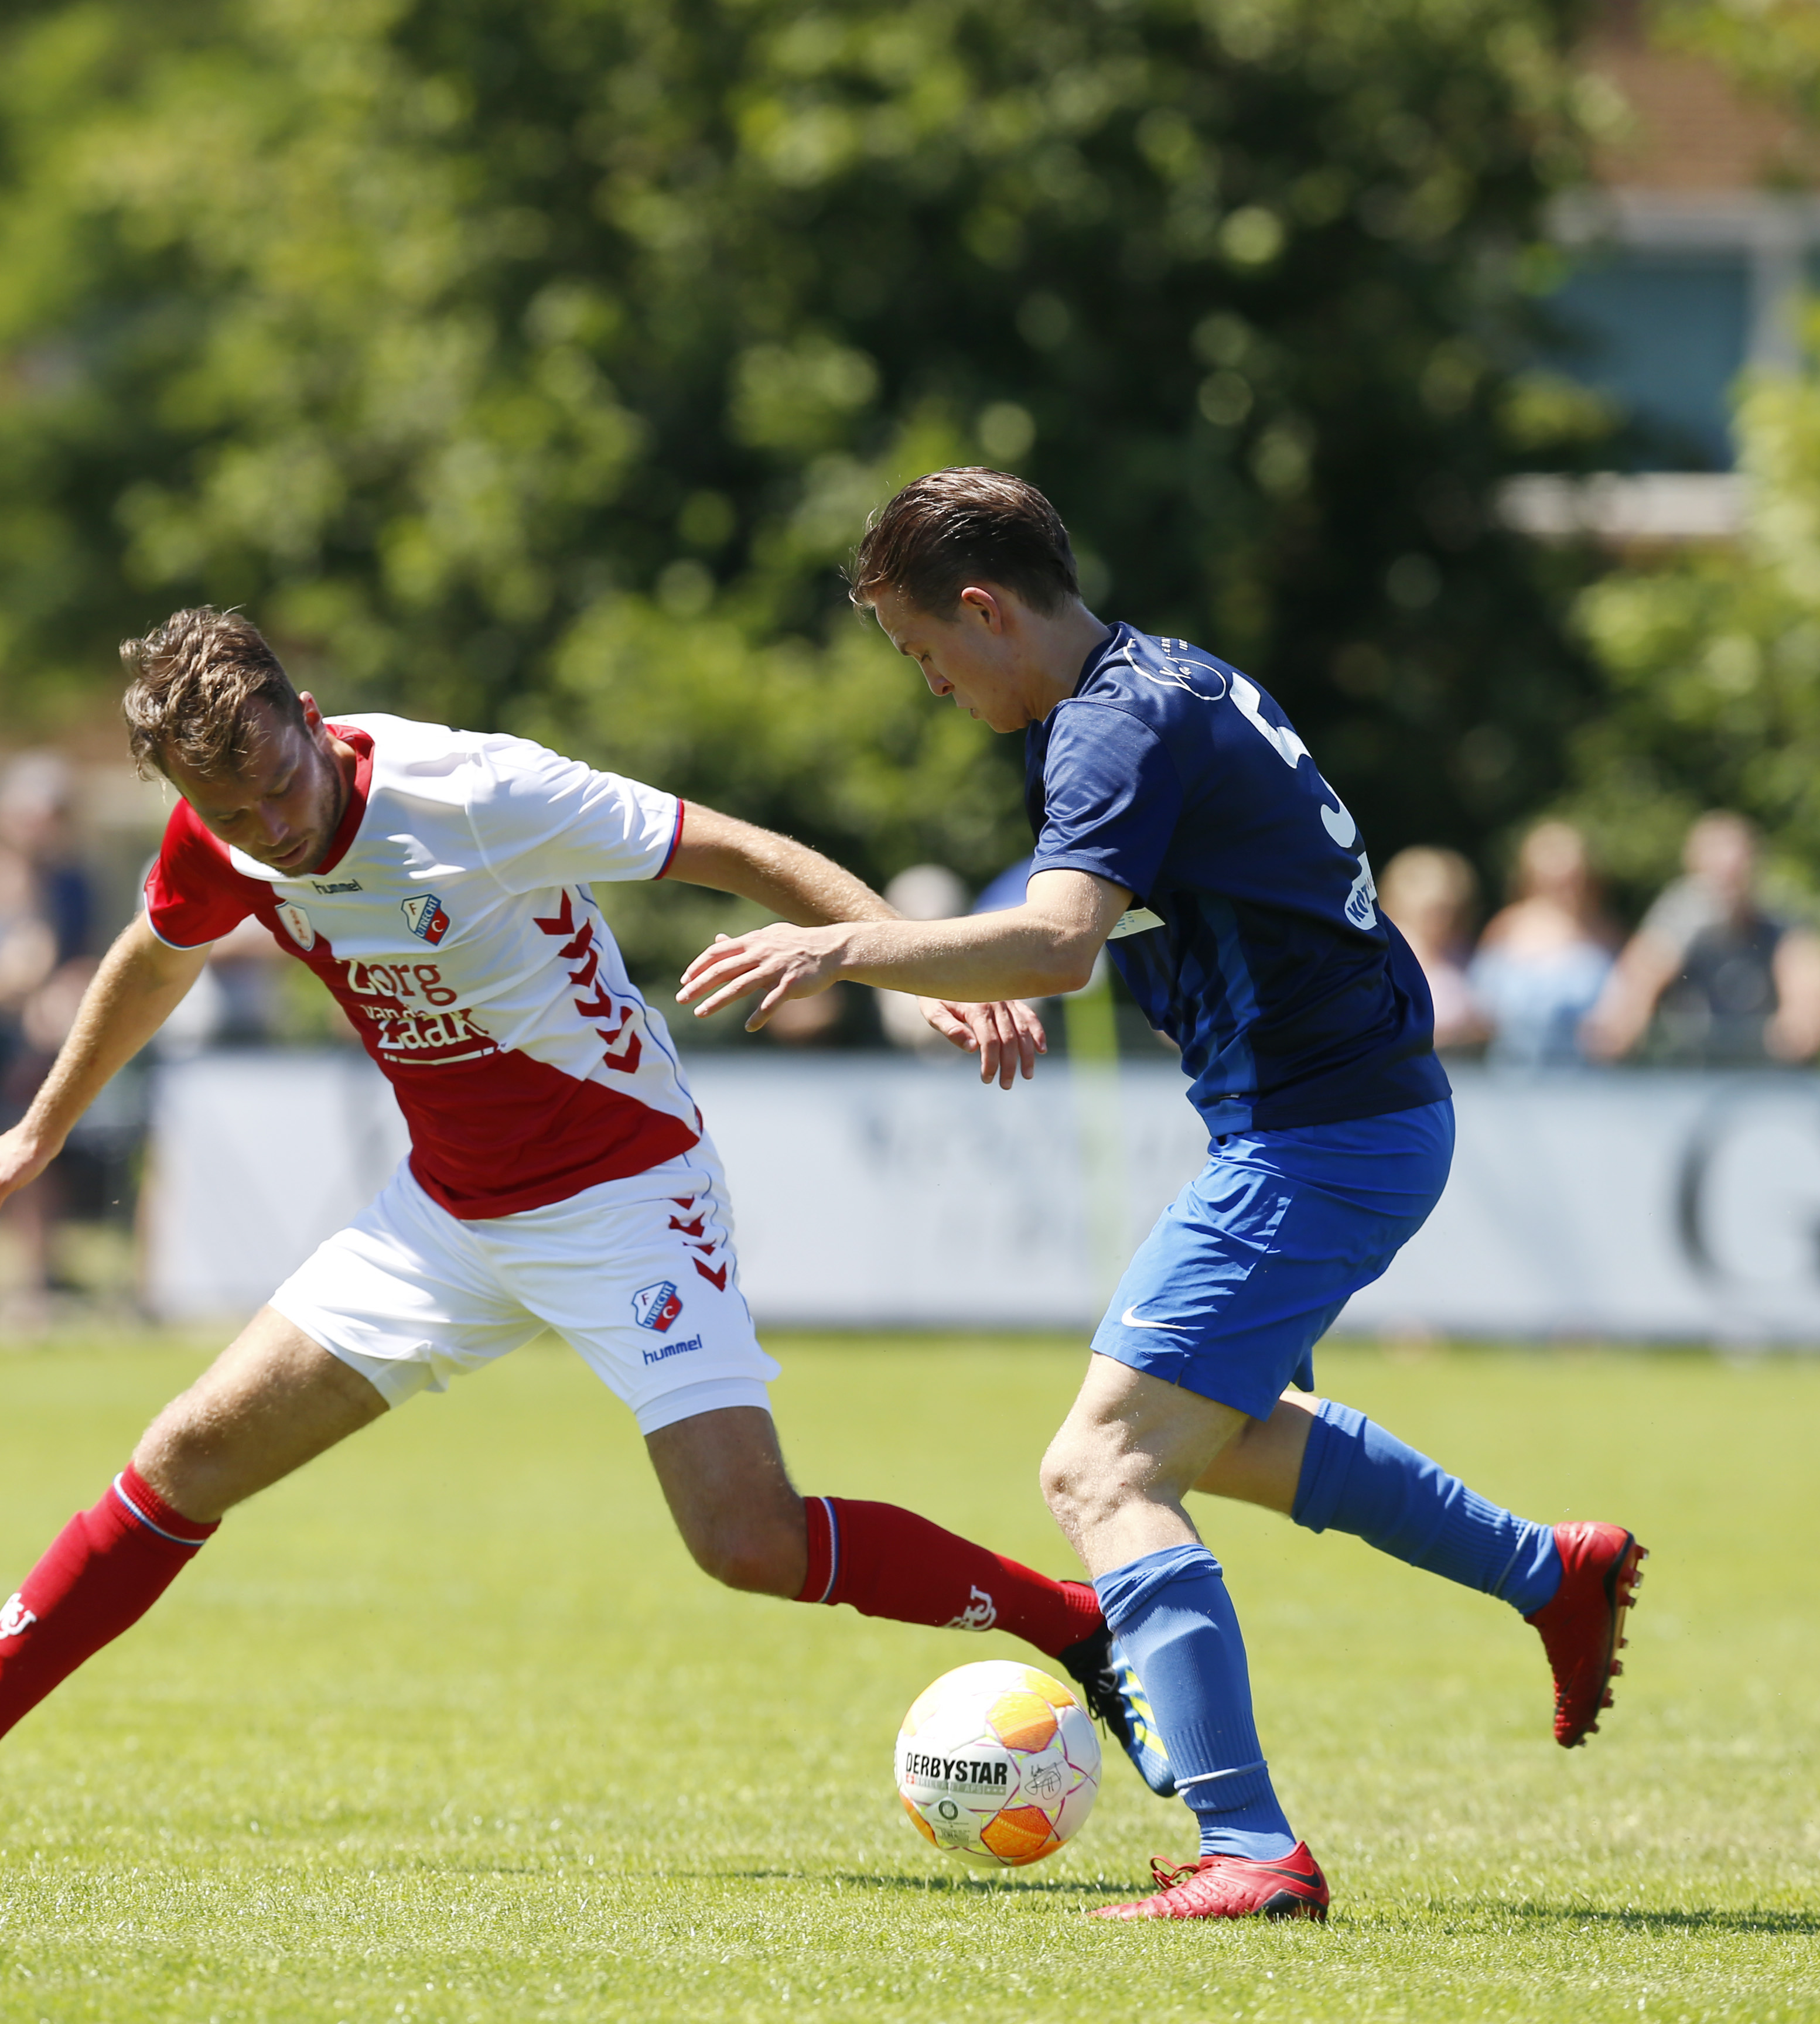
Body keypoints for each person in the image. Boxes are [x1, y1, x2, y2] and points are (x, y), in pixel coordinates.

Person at [0, 604, 1123, 1835]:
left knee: (745, 1541)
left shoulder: (473, 789)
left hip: (623, 1191)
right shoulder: (222, 827)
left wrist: (916, 964)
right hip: (445, 1213)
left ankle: (1082, 1629)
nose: (270, 829)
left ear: (309, 717)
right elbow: (153, 953)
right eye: (229, 812)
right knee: (183, 1453)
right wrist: (41, 1126)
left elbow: (741, 850)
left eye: (278, 784)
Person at [679, 469, 1644, 1923]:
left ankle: (1249, 1846)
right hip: (1343, 1119)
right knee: (1237, 1439)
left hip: (1316, 1136)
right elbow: (1070, 900)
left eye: (920, 650)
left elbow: (1061, 939)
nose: (928, 684)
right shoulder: (1150, 688)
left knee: (1099, 1469)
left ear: (986, 608)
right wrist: (968, 965)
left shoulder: (1114, 722)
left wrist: (849, 954)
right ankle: (1546, 1571)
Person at [1585, 811, 1820, 1066]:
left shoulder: (1784, 928)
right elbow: (1627, 1003)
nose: (1727, 885)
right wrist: (1621, 1028)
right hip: (1691, 1077)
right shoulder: (1677, 922)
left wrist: (1796, 1028)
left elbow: (1808, 1016)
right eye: (1718, 873)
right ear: (1693, 869)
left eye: (1735, 873)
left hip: (1766, 1080)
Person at [1467, 821, 1616, 1068]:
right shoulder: (1507, 927)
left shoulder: (1607, 931)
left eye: (1573, 878)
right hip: (1512, 1068)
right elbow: (1480, 1003)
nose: (1567, 887)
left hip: (1586, 1072)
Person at [1374, 846, 1488, 1054]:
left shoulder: (1461, 954)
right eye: (1435, 910)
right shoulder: (1386, 956)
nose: (1443, 920)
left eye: (1451, 910)